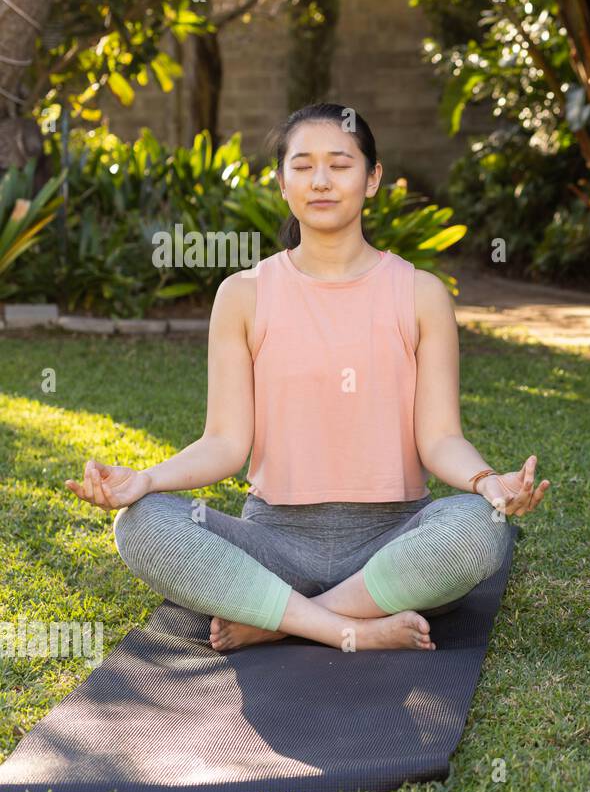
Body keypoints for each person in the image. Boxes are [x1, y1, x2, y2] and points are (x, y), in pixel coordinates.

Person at [64, 103, 549, 653]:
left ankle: (280, 620)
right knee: (139, 523)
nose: (321, 181)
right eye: (303, 165)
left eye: (340, 165)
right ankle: (350, 628)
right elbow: (225, 442)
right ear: (282, 181)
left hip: (390, 548)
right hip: (274, 545)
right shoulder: (244, 295)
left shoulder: (420, 294)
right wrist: (145, 480)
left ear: (372, 180)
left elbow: (439, 439)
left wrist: (487, 482)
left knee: (480, 526)